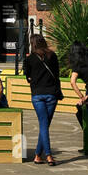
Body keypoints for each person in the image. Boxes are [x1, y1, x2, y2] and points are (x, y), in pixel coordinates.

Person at [23, 32, 63, 165]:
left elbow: (27, 77)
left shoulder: (29, 59)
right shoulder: (52, 56)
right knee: (45, 124)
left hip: (37, 95)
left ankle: (41, 155)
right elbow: (57, 74)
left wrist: (33, 78)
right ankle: (46, 155)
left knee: (43, 125)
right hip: (51, 94)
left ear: (32, 44)